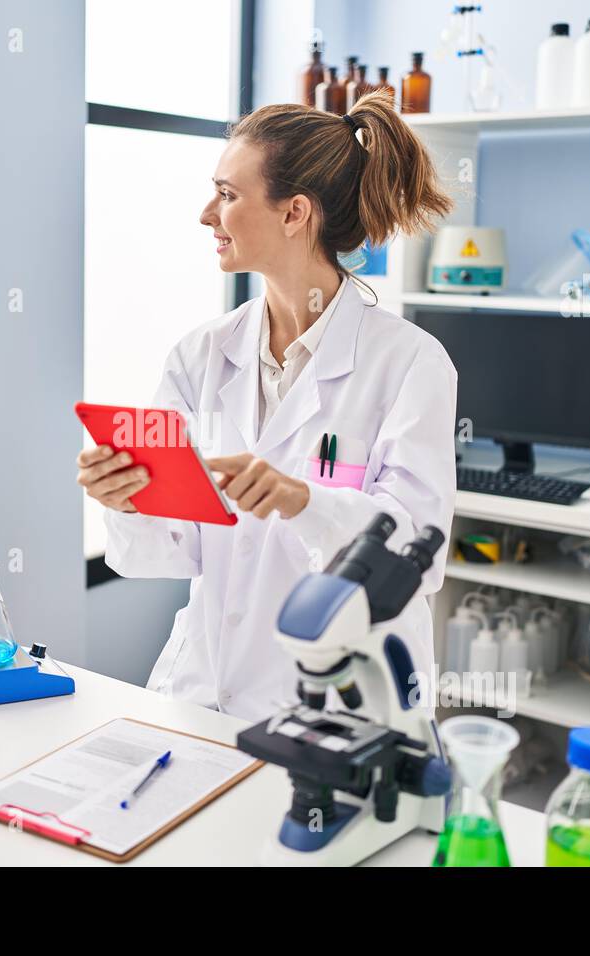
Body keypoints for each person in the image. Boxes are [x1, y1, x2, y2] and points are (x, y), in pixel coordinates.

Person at [76, 91, 458, 721]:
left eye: (227, 194)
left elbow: (419, 554)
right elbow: (170, 553)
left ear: (294, 213)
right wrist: (128, 498)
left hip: (341, 702)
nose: (206, 213)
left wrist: (302, 500)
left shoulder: (409, 363)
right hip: (206, 689)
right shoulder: (201, 353)